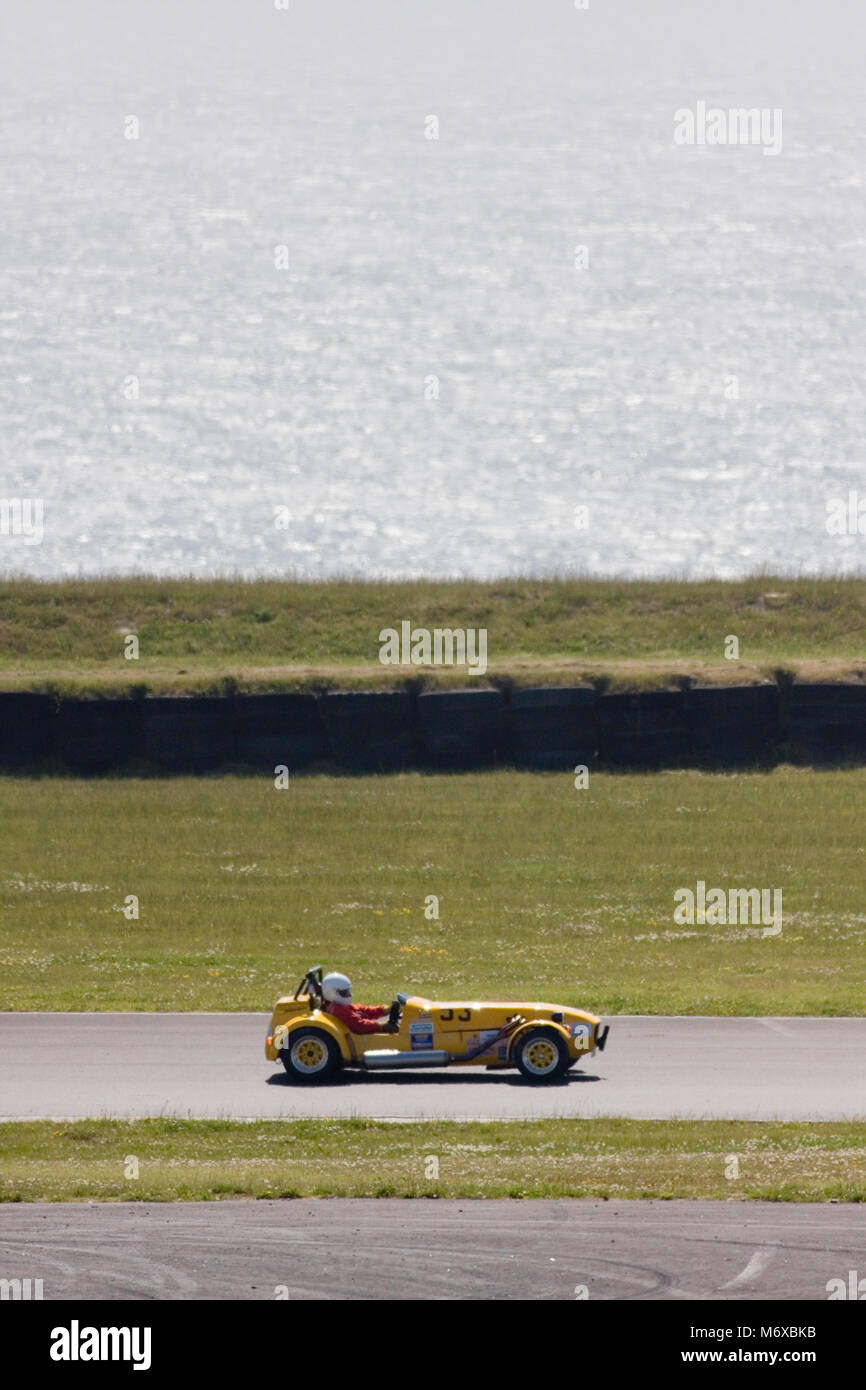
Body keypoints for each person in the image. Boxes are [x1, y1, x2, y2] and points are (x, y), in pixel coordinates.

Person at [321, 972, 398, 1034]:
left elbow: (361, 1010)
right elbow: (359, 1026)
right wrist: (381, 1026)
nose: (348, 995)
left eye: (348, 991)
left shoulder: (338, 1006)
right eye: (345, 992)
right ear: (331, 993)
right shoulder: (337, 1010)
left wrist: (383, 1010)